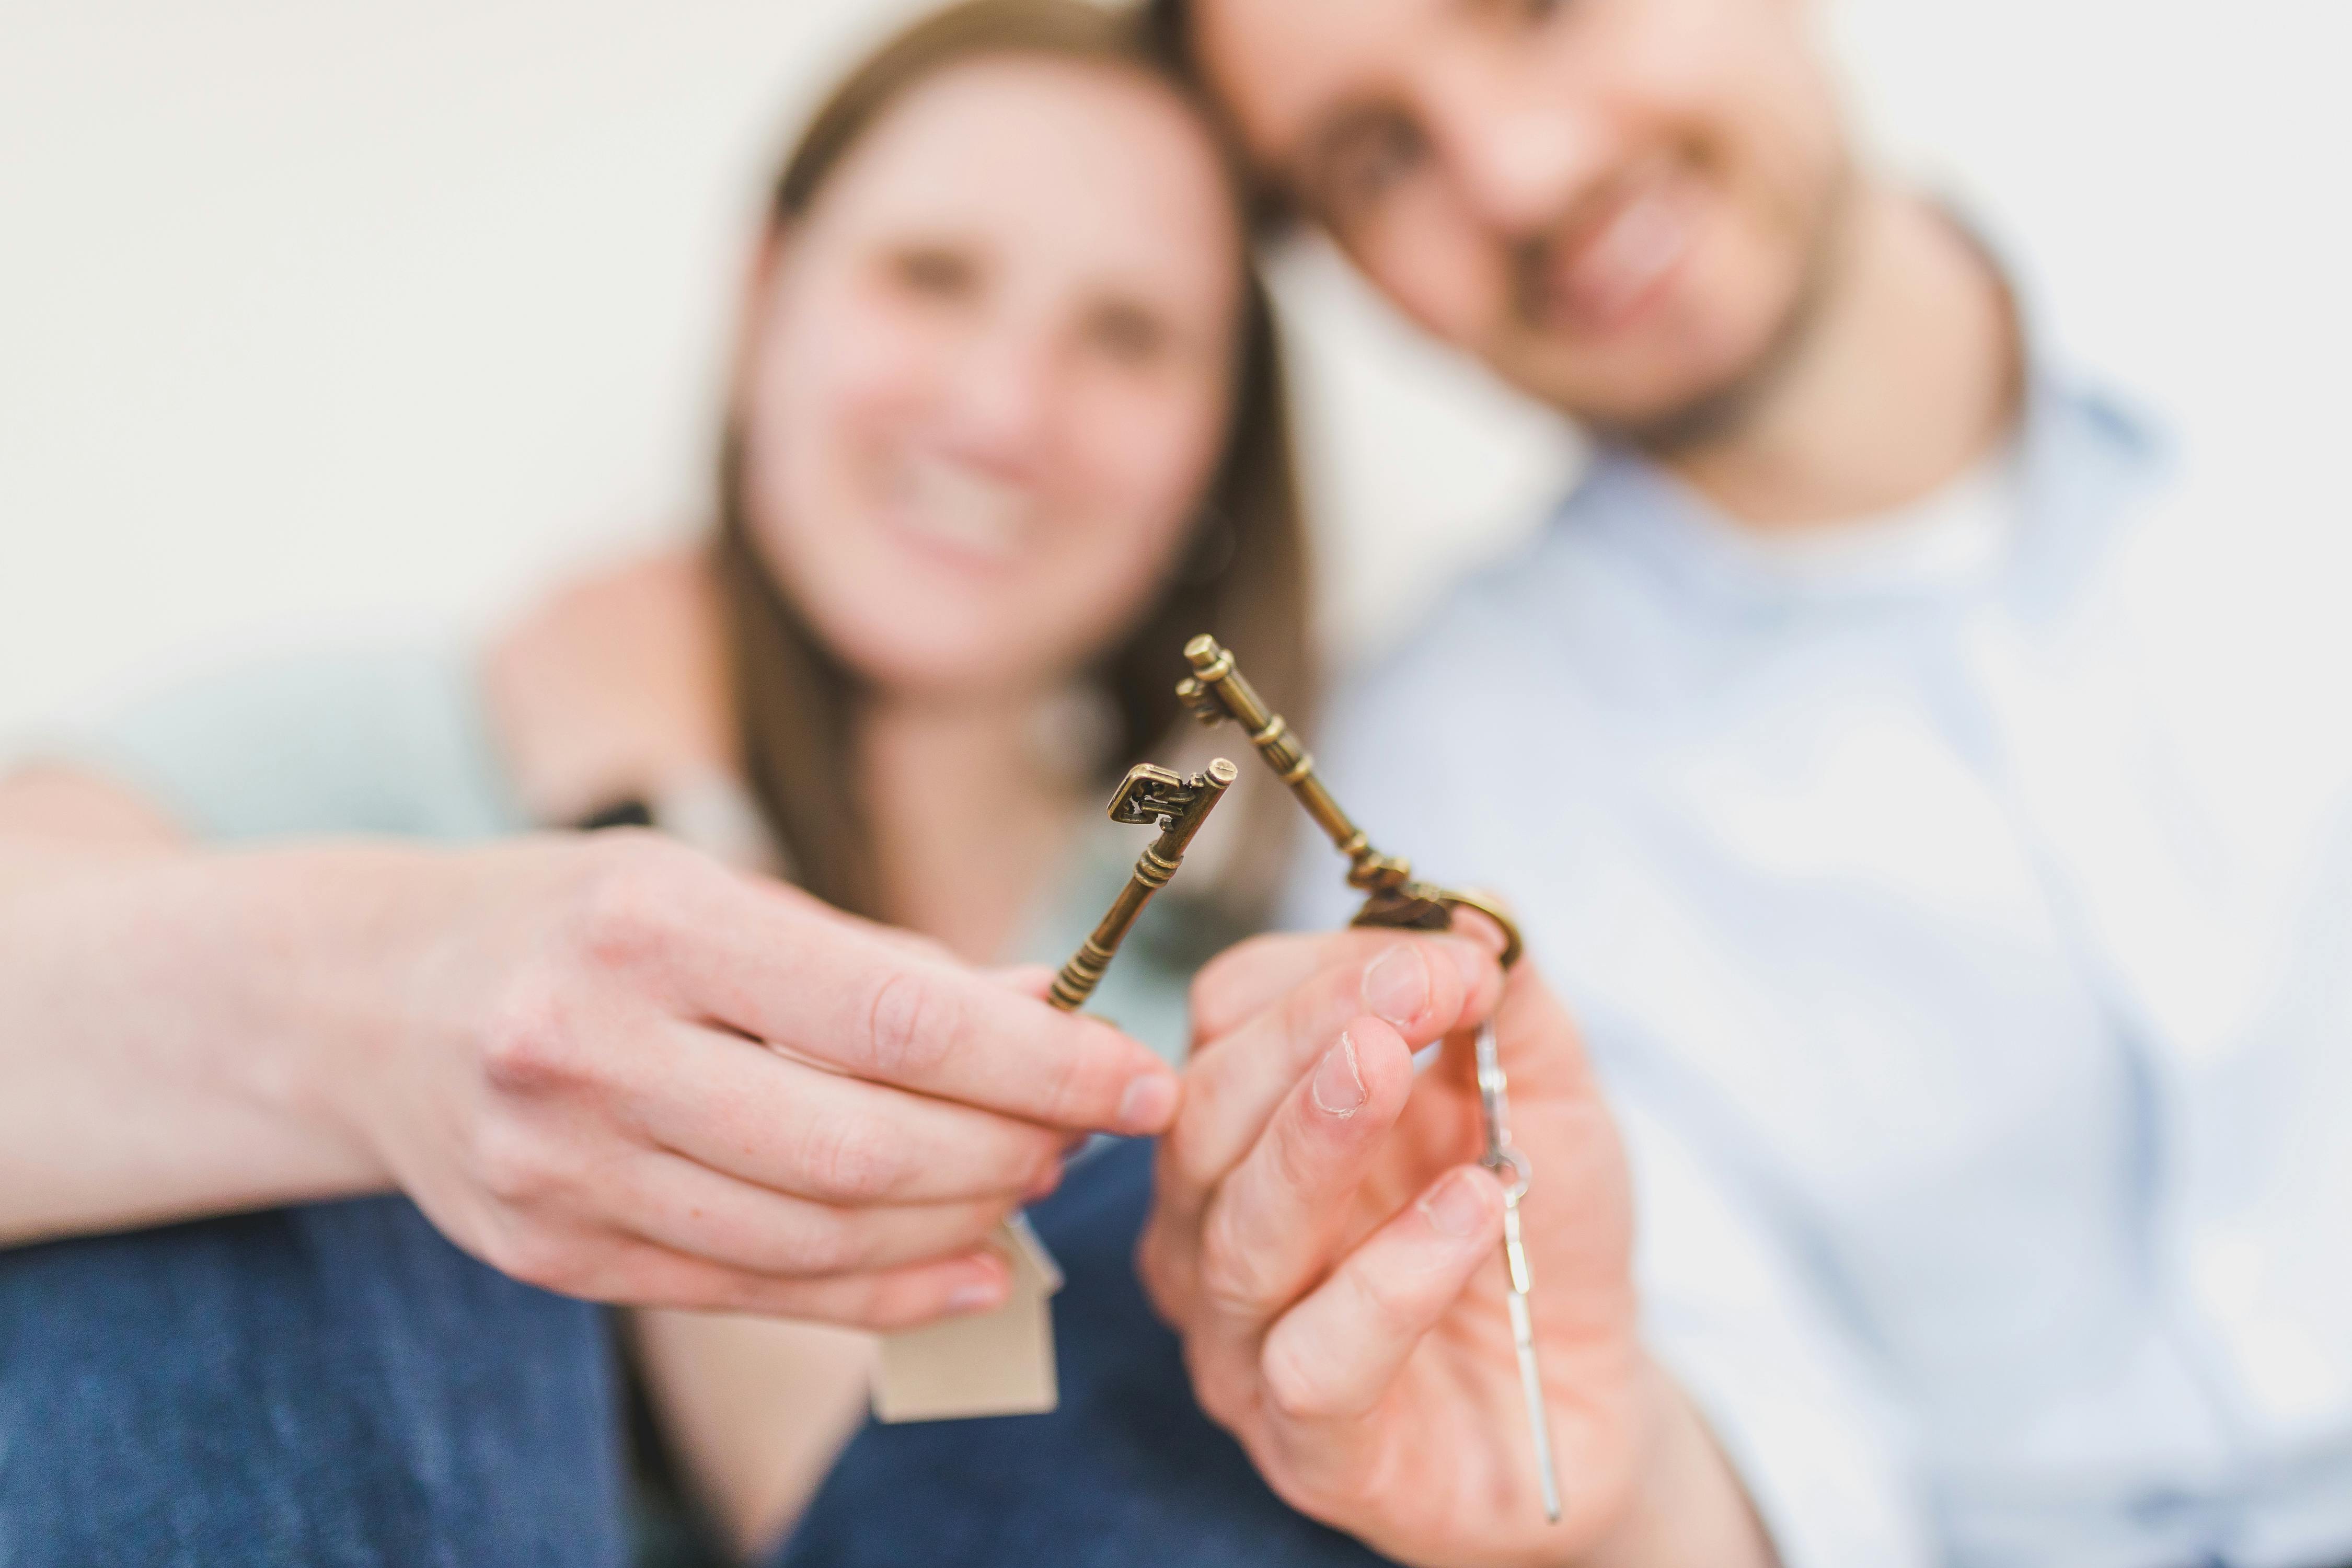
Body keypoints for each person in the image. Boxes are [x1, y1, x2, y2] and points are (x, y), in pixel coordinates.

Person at [0, 3, 1312, 1561]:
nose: (1003, 408)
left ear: (1215, 443)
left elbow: (899, 1506)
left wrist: (641, 808)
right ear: (768, 299)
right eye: (930, 278)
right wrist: (371, 1018)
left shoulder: (1205, 1007)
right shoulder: (410, 749)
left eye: (1128, 338)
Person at [1114, 1, 2352, 1567]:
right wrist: (1599, 1503)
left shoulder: (2312, 288)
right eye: (1376, 158)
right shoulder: (1439, 814)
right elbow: (1743, 1466)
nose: (1514, 170)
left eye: (1536, 8)